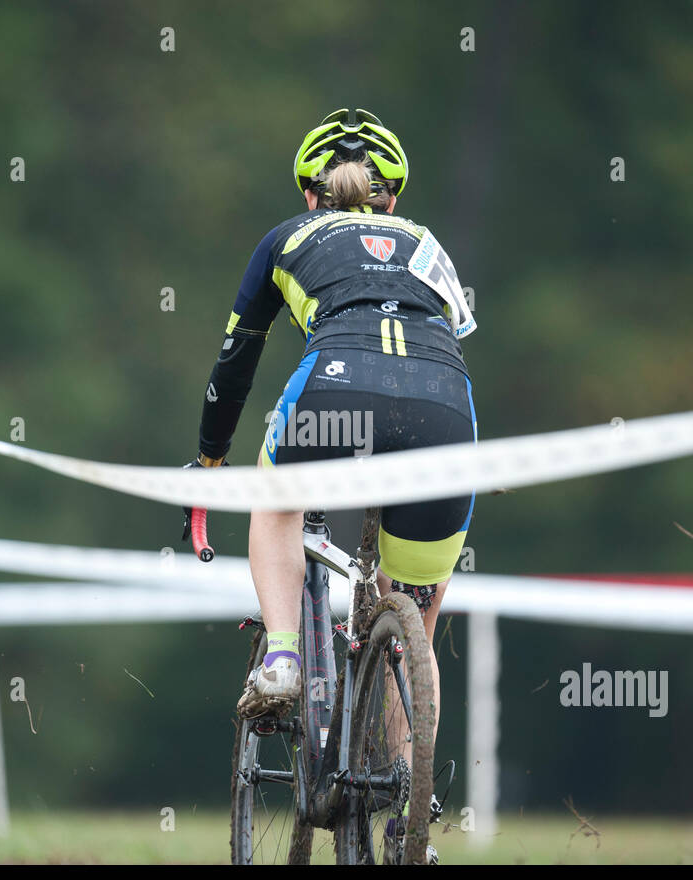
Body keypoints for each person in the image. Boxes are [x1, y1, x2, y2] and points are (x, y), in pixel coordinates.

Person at [185, 105, 477, 754]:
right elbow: (449, 344)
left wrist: (210, 459)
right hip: (445, 408)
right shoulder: (428, 244)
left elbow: (235, 361)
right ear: (393, 197)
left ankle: (283, 657)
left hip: (337, 388)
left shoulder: (288, 236)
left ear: (311, 195)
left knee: (277, 498)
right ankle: (408, 796)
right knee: (416, 613)